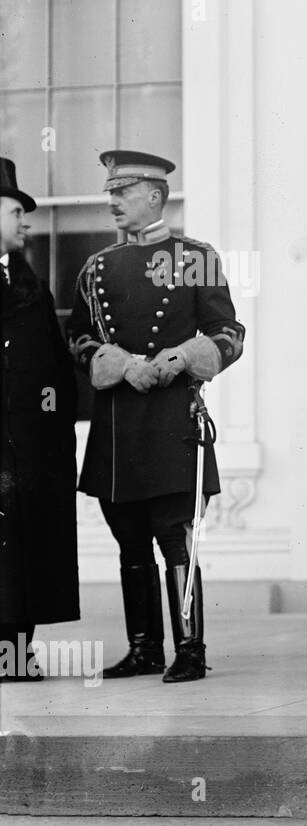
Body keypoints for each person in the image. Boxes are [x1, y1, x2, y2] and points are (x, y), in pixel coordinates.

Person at [67, 150, 245, 683]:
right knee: (129, 538)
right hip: (119, 425)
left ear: (154, 194)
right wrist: (117, 363)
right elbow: (76, 339)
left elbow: (229, 335)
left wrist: (180, 358)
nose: (112, 201)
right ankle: (143, 647)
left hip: (173, 420)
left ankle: (190, 648)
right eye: (110, 192)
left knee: (176, 537)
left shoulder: (197, 256)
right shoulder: (97, 268)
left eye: (122, 191)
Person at [0, 157, 79, 681]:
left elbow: (54, 364)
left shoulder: (30, 287)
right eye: (14, 211)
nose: (25, 222)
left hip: (29, 447)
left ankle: (16, 652)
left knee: (24, 552)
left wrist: (55, 434)